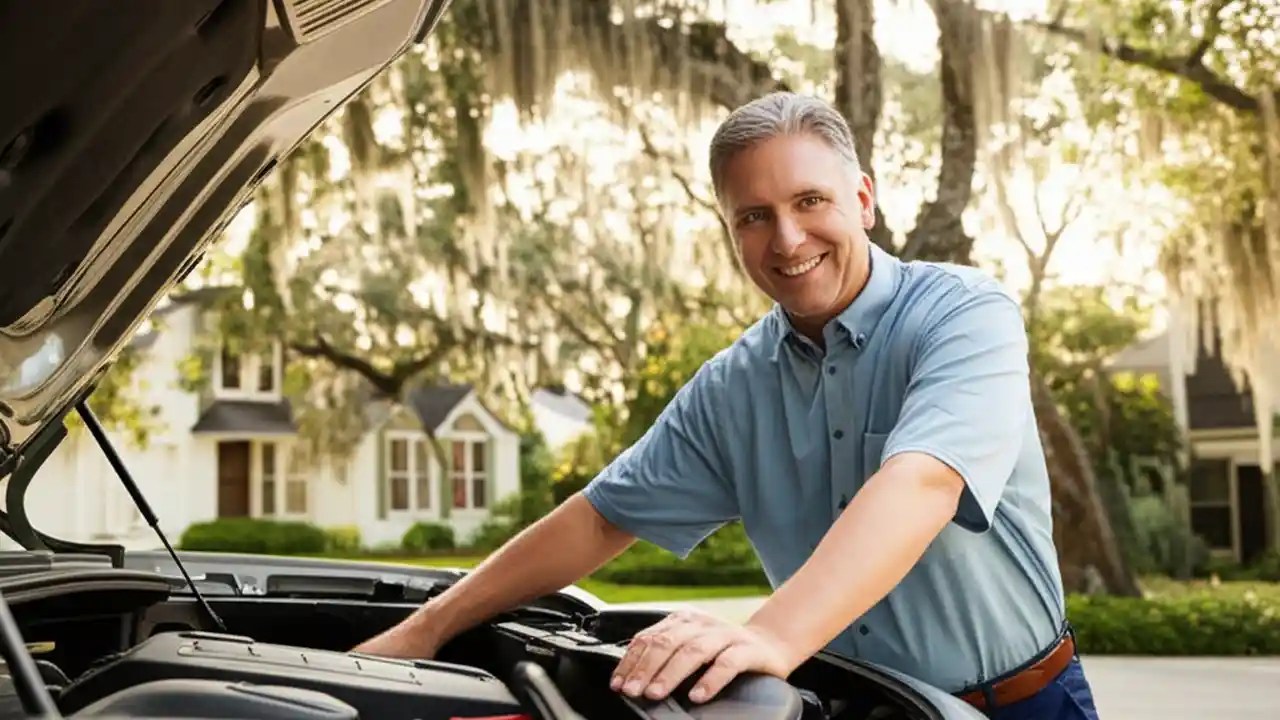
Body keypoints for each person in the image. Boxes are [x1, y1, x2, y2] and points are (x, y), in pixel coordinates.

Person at [353, 92, 1100, 720]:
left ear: (864, 199)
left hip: (1020, 705)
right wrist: (422, 633)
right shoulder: (732, 383)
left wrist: (771, 636)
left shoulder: (964, 314)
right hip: (844, 706)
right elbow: (601, 517)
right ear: (730, 232)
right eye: (753, 216)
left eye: (811, 201)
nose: (787, 237)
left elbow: (922, 483)